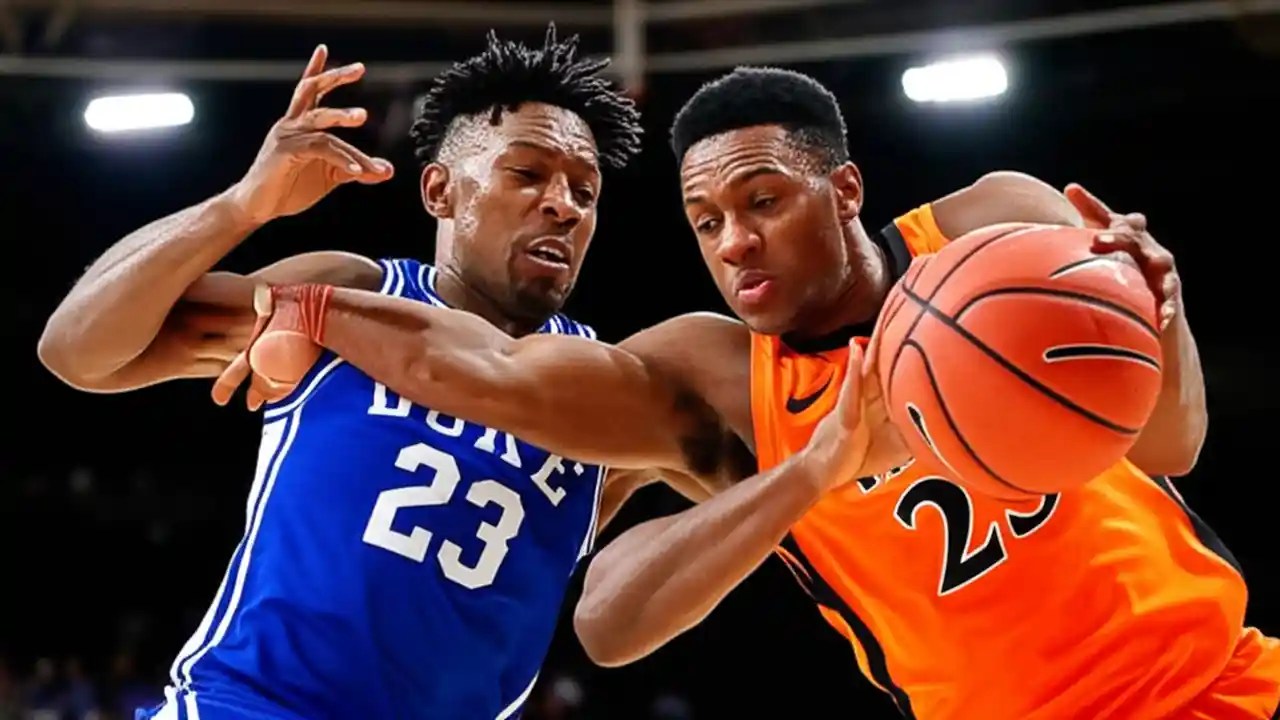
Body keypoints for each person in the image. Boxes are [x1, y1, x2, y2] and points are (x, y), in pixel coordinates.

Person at [228, 66, 1278, 719]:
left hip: (1224, 682)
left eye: (762, 201)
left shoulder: (991, 226)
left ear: (846, 190)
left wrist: (1160, 307)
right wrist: (307, 308)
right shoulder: (716, 376)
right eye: (706, 223)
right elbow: (600, 614)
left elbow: (1168, 445)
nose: (734, 242)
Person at [38, 27, 645, 719]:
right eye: (528, 174)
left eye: (585, 191)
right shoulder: (352, 299)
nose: (564, 204)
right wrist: (243, 205)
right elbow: (77, 348)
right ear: (441, 192)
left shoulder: (609, 387)